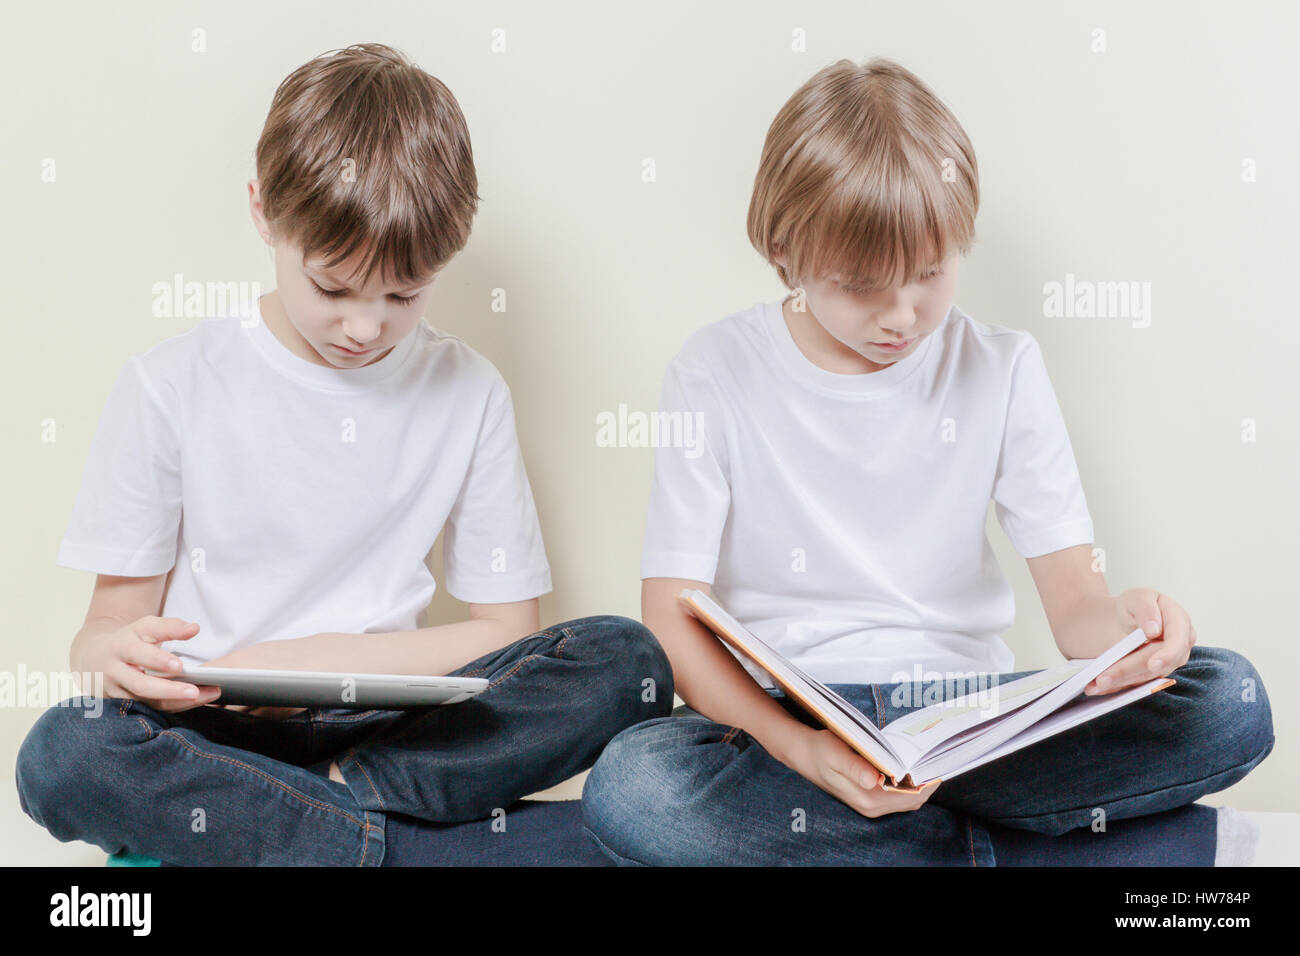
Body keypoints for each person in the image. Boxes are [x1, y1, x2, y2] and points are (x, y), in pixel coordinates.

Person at [580, 57, 1274, 866]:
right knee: (633, 786)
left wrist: (1132, 631)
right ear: (784, 250)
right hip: (790, 719)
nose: (902, 317)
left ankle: (902, 846)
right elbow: (672, 617)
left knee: (1229, 698)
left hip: (972, 722)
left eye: (930, 275)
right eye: (861, 286)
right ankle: (1039, 852)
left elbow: (1077, 604)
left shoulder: (1003, 368)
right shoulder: (714, 370)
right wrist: (799, 751)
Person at [16, 43, 671, 866]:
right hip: (218, 732)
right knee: (63, 753)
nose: (365, 329)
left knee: (626, 660)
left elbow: (507, 631)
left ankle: (304, 824)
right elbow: (105, 629)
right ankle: (406, 850)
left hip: (391, 733)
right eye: (331, 288)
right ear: (263, 212)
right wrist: (109, 655)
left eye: (404, 295)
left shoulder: (467, 389)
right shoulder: (169, 385)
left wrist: (307, 661)